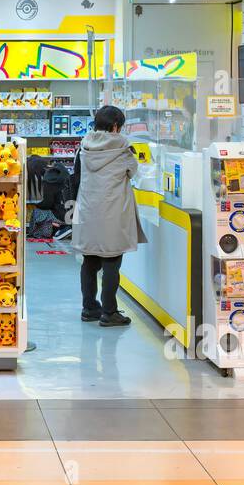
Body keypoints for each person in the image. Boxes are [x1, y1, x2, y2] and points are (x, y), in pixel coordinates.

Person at [71, 104, 144, 326]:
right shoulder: (123, 149)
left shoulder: (83, 147)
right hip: (112, 212)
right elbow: (133, 171)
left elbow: (77, 174)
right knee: (112, 261)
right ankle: (109, 312)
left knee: (89, 261)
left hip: (88, 210)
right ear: (115, 126)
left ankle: (89, 308)